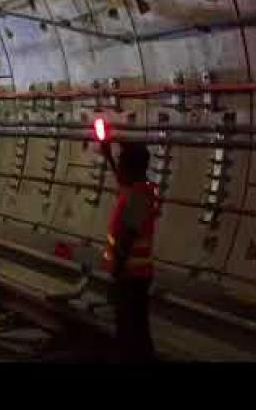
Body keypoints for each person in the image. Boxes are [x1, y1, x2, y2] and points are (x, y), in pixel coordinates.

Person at [100, 140, 160, 363]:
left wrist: (115, 273)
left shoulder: (137, 197)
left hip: (131, 276)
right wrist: (108, 153)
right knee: (136, 328)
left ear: (133, 168)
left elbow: (126, 238)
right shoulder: (137, 189)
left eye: (122, 163)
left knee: (130, 331)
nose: (120, 168)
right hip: (135, 275)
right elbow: (122, 180)